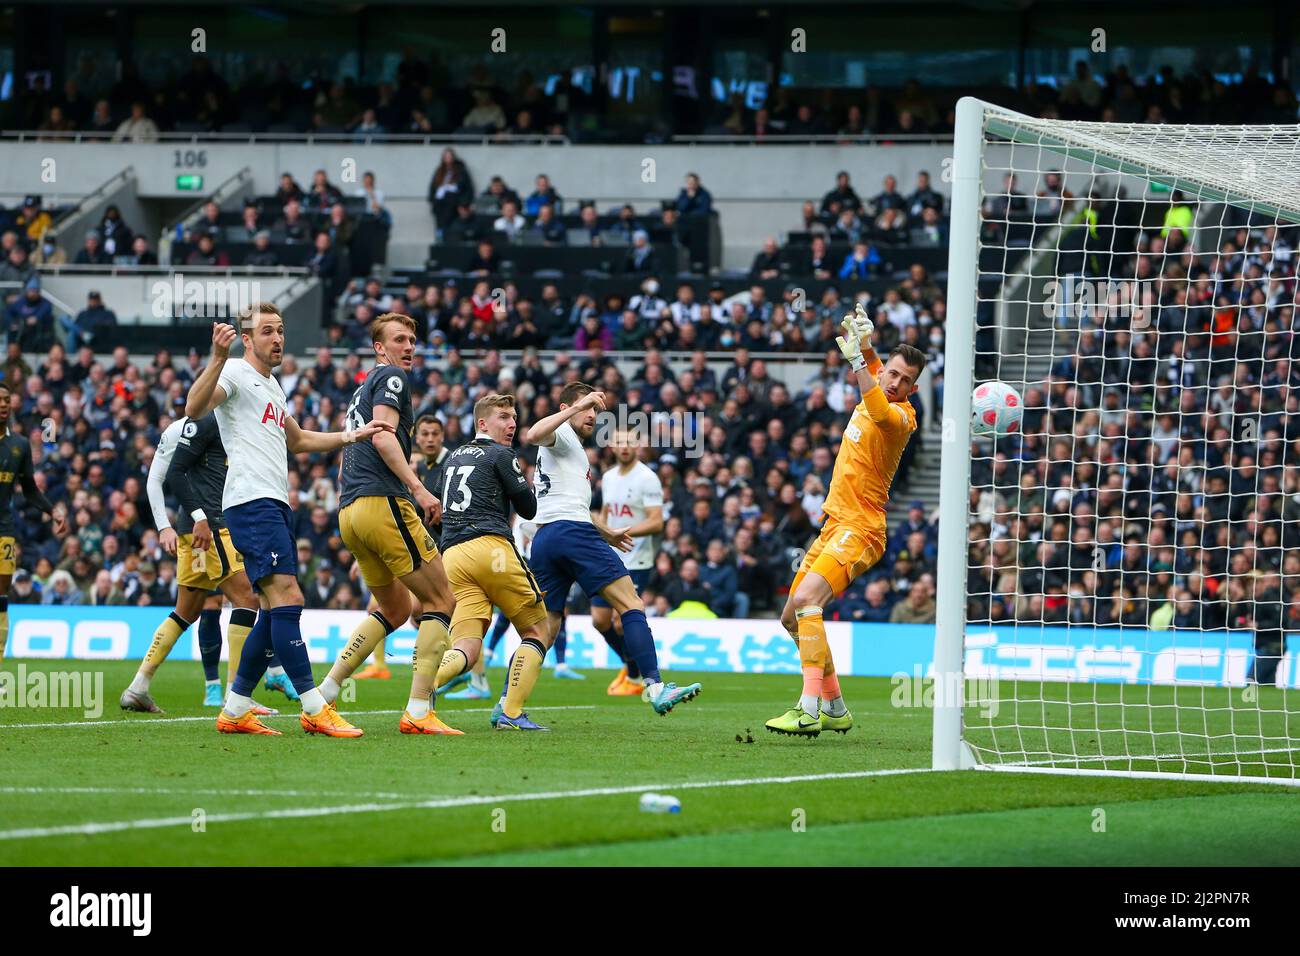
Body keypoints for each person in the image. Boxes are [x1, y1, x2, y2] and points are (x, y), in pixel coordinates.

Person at [184, 304, 390, 737]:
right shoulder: (234, 374)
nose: (277, 339)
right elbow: (194, 406)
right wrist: (217, 358)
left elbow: (296, 440)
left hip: (274, 502)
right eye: (267, 332)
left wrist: (352, 436)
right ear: (247, 338)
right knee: (289, 596)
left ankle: (236, 708)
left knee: (271, 608)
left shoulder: (273, 385)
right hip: (251, 501)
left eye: (280, 331)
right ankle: (314, 706)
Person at [766, 305, 924, 737]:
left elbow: (875, 404)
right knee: (790, 619)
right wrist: (869, 347)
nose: (894, 382)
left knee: (807, 601)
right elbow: (874, 374)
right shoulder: (879, 379)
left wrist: (860, 360)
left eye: (905, 379)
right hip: (835, 524)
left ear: (913, 387)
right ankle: (835, 707)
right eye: (891, 373)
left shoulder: (901, 418)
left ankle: (808, 707)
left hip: (863, 528)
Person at [519, 382, 702, 728]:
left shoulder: (573, 452)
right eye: (587, 407)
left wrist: (608, 533)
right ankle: (654, 685)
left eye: (595, 410)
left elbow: (570, 503)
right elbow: (532, 434)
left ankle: (508, 706)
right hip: (571, 535)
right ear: (565, 408)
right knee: (630, 604)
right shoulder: (562, 435)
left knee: (547, 627)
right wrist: (574, 409)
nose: (591, 415)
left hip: (547, 538)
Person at [313, 313, 460, 736]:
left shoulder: (360, 390)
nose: (409, 347)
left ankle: (325, 693)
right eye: (399, 339)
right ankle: (417, 710)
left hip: (350, 512)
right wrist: (418, 487)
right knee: (441, 600)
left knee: (394, 608)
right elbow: (382, 435)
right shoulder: (392, 377)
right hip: (383, 502)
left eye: (412, 340)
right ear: (380, 348)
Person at [120, 413, 266, 713]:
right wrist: (165, 525)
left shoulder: (201, 426)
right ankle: (236, 696)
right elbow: (159, 478)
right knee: (247, 599)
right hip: (210, 528)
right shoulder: (202, 424)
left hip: (192, 529)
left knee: (185, 612)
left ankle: (138, 686)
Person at [425, 393, 552, 730]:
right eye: (503, 417)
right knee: (539, 629)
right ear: (482, 423)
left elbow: (437, 510)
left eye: (513, 417)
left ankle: (422, 692)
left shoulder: (452, 457)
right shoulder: (500, 453)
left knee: (466, 646)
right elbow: (528, 509)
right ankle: (510, 713)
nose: (512, 424)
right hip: (490, 548)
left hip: (452, 555)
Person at [355, 413, 450, 681]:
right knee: (379, 606)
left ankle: (456, 662)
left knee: (425, 609)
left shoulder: (448, 466)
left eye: (435, 434)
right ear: (416, 438)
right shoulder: (410, 469)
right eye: (425, 434)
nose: (430, 439)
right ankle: (380, 665)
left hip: (437, 550)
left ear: (442, 437)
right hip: (408, 545)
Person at [0, 382, 67, 690]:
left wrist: (51, 511)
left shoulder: (19, 445)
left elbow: (29, 490)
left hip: (4, 531)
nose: (3, 404)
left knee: (1, 600)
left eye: (6, 400)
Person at [593, 430, 665, 696]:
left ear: (638, 446)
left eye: (629, 442)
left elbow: (657, 522)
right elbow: (606, 513)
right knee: (600, 621)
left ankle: (635, 675)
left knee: (623, 619)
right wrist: (601, 533)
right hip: (609, 554)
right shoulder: (609, 477)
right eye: (619, 442)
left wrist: (621, 533)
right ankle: (630, 664)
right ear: (611, 446)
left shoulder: (647, 478)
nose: (624, 447)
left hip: (636, 558)